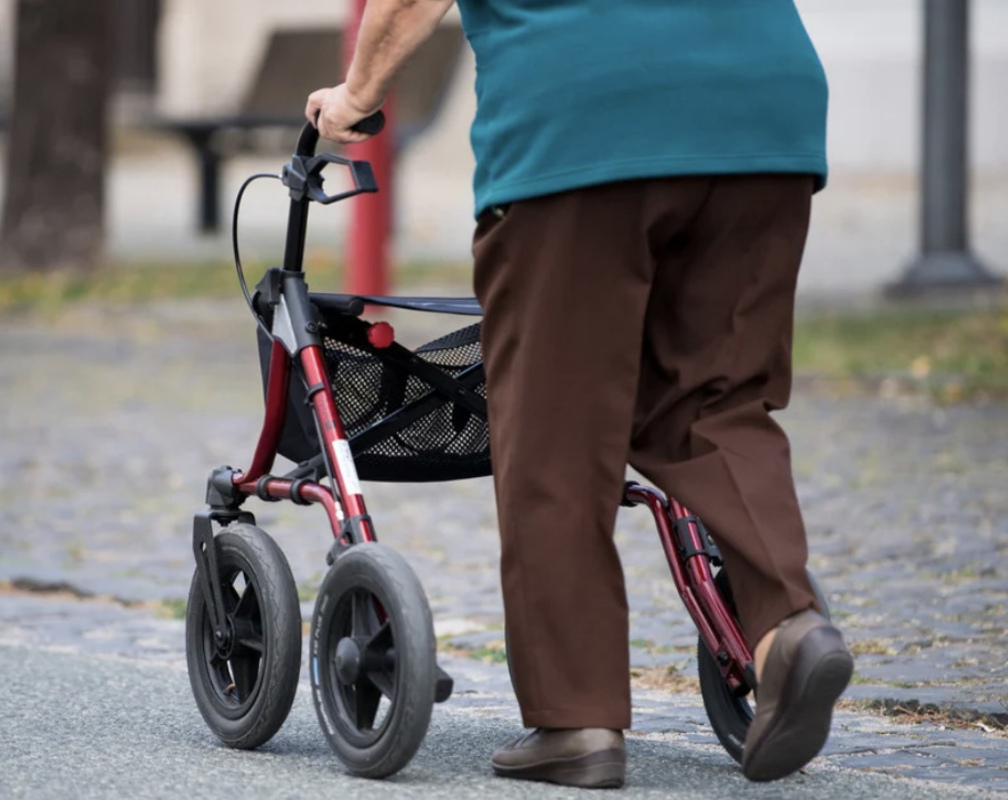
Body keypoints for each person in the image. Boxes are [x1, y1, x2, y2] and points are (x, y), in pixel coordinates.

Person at [307, 0, 854, 788]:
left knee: (555, 432)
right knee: (716, 400)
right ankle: (787, 631)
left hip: (586, 122)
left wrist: (355, 98)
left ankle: (576, 720)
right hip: (767, 112)